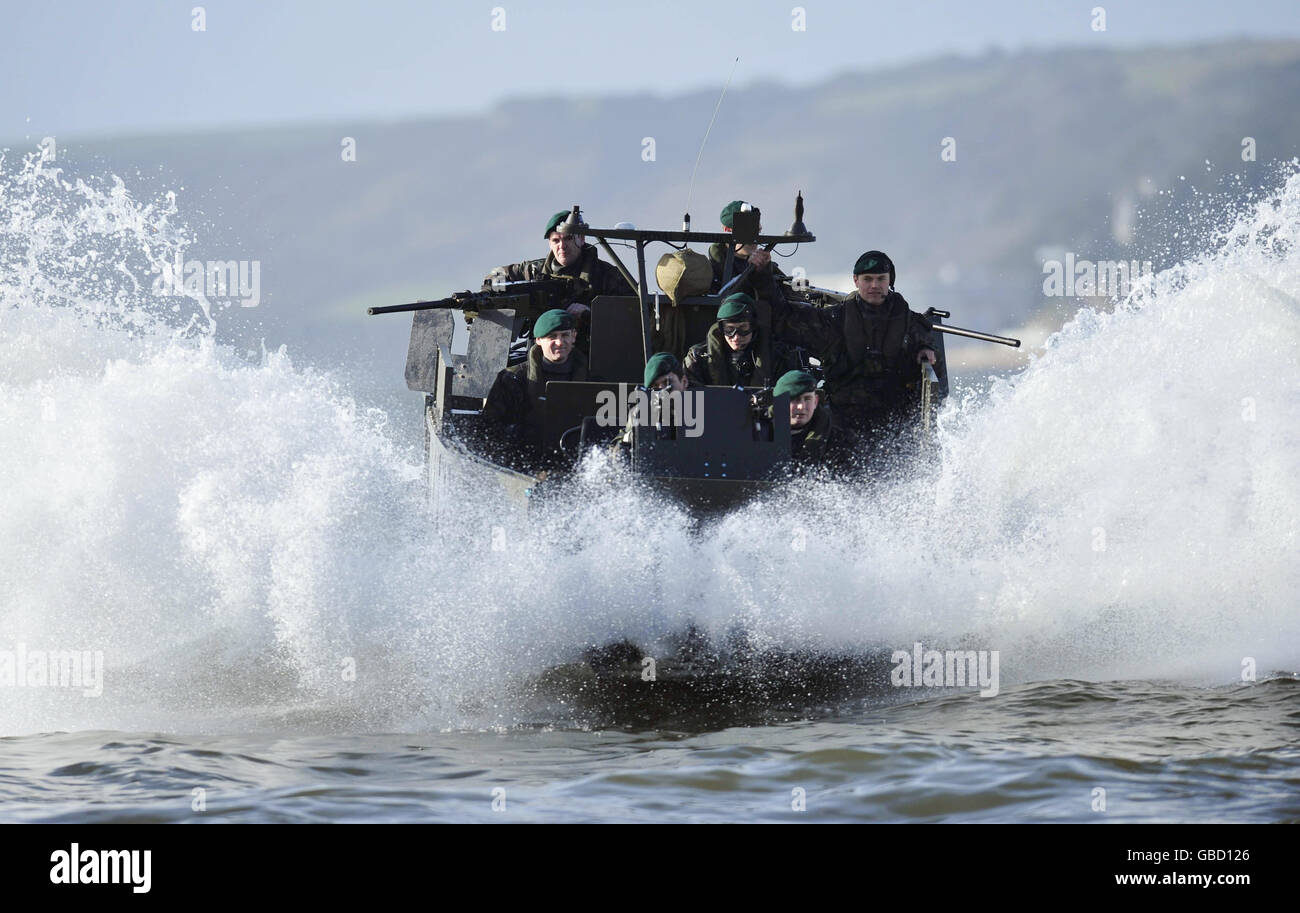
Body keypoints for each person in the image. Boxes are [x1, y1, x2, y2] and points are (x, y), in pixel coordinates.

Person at [761, 250, 937, 440]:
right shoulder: (835, 321)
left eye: (881, 279)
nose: (874, 285)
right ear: (856, 280)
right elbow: (784, 320)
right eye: (867, 279)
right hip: (844, 423)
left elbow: (930, 356)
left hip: (895, 423)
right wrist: (761, 275)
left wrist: (925, 349)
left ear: (890, 280)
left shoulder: (909, 323)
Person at [481, 308, 588, 462]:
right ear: (538, 340)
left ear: (574, 336)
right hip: (524, 463)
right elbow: (490, 429)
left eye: (565, 335)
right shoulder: (513, 379)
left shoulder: (591, 379)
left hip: (574, 462)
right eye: (552, 337)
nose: (559, 342)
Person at [482, 210, 634, 316]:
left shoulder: (607, 275)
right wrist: (486, 296)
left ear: (581, 239)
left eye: (568, 238)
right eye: (556, 240)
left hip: (593, 350)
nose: (561, 246)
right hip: (547, 350)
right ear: (550, 244)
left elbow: (633, 310)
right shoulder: (536, 271)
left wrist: (590, 312)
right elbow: (496, 275)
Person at [683, 292, 803, 389]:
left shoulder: (778, 356)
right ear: (721, 329)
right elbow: (690, 400)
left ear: (753, 326)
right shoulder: (698, 357)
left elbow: (790, 395)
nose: (736, 337)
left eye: (743, 328)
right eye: (729, 330)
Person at [773, 369, 861, 473]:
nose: (801, 407)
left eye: (807, 399)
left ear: (815, 401)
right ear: (779, 403)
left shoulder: (839, 441)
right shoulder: (759, 433)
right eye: (794, 400)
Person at [708, 200, 788, 297]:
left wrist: (764, 271)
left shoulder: (761, 263)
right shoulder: (714, 271)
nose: (754, 237)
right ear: (727, 230)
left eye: (757, 231)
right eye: (748, 231)